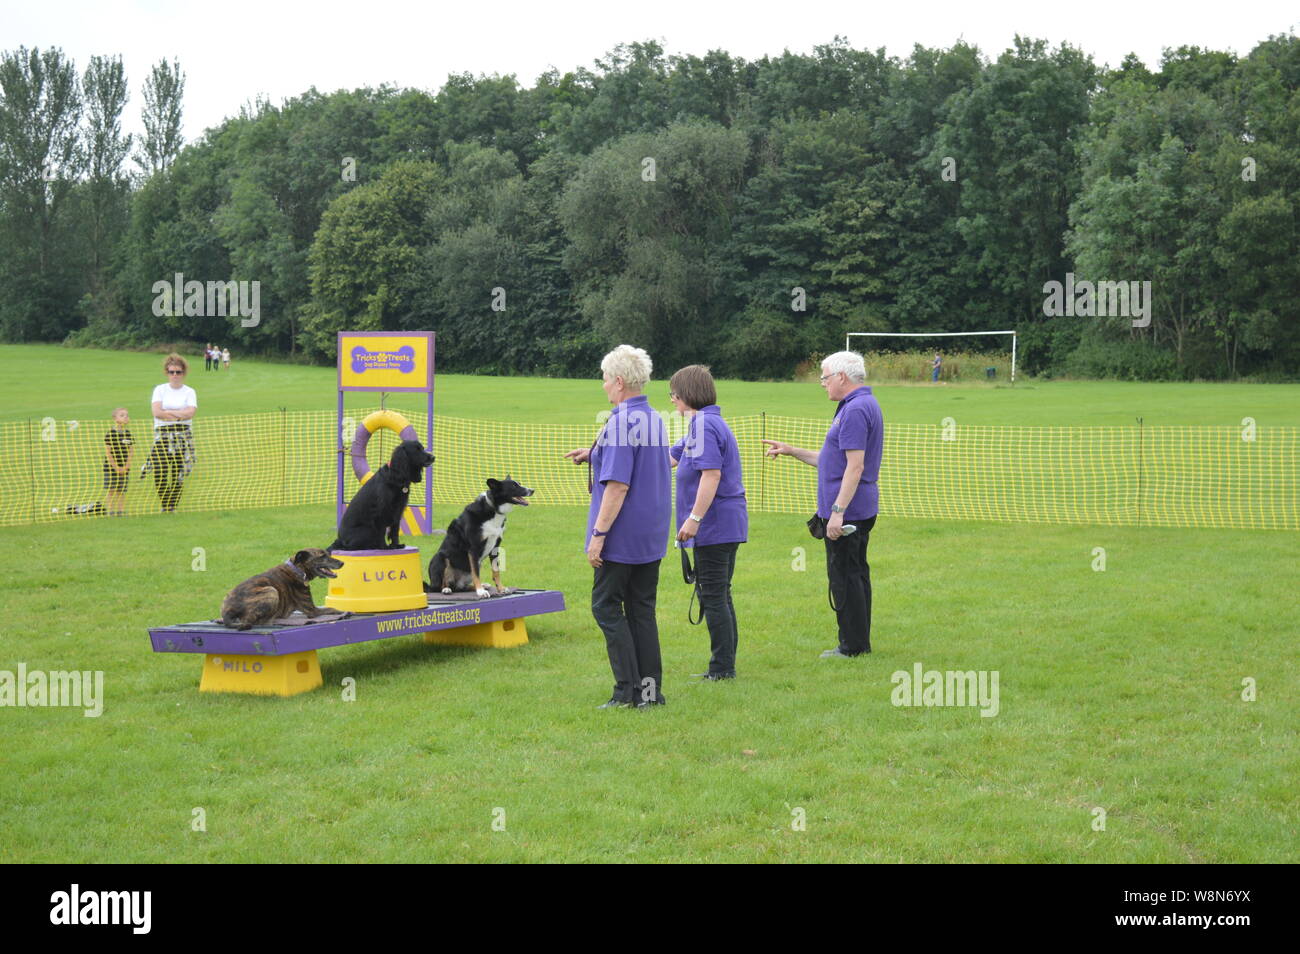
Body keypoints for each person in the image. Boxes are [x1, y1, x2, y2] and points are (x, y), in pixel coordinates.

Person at [564, 345, 671, 709]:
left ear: (620, 381)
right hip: (651, 534)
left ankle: (626, 692)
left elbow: (618, 486)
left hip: (622, 536)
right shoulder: (653, 417)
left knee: (606, 607)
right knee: (641, 609)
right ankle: (650, 692)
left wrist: (598, 536)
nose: (604, 386)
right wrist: (593, 453)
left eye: (606, 379)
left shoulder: (621, 422)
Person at [762, 350, 883, 658]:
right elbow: (829, 460)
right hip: (858, 505)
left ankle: (852, 646)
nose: (822, 383)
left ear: (842, 377)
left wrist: (837, 513)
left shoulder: (855, 410)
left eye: (825, 377)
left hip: (850, 510)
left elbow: (854, 467)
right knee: (854, 573)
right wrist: (791, 450)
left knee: (845, 575)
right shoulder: (859, 405)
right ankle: (858, 642)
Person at [668, 365, 747, 681]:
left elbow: (711, 475)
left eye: (674, 395)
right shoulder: (702, 425)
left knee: (713, 595)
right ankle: (724, 663)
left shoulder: (704, 427)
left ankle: (722, 668)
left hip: (715, 526)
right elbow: (668, 458)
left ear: (687, 395)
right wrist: (599, 455)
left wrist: (694, 519)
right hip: (724, 524)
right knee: (719, 593)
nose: (672, 401)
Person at [146, 354, 198, 513]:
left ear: (184, 373)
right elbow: (156, 412)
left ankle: (172, 506)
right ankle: (165, 503)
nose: (175, 375)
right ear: (166, 372)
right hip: (162, 435)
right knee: (160, 471)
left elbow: (190, 413)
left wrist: (168, 412)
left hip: (182, 435)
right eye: (172, 372)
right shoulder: (160, 390)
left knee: (178, 472)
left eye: (178, 372)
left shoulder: (189, 391)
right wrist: (178, 414)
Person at [102, 407, 134, 517]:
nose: (125, 417)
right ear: (115, 418)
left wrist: (126, 466)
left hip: (124, 467)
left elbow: (131, 451)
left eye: (127, 415)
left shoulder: (128, 433)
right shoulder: (110, 433)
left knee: (121, 490)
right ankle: (110, 511)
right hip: (111, 468)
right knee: (111, 489)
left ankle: (120, 511)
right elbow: (108, 452)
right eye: (122, 415)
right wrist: (115, 467)